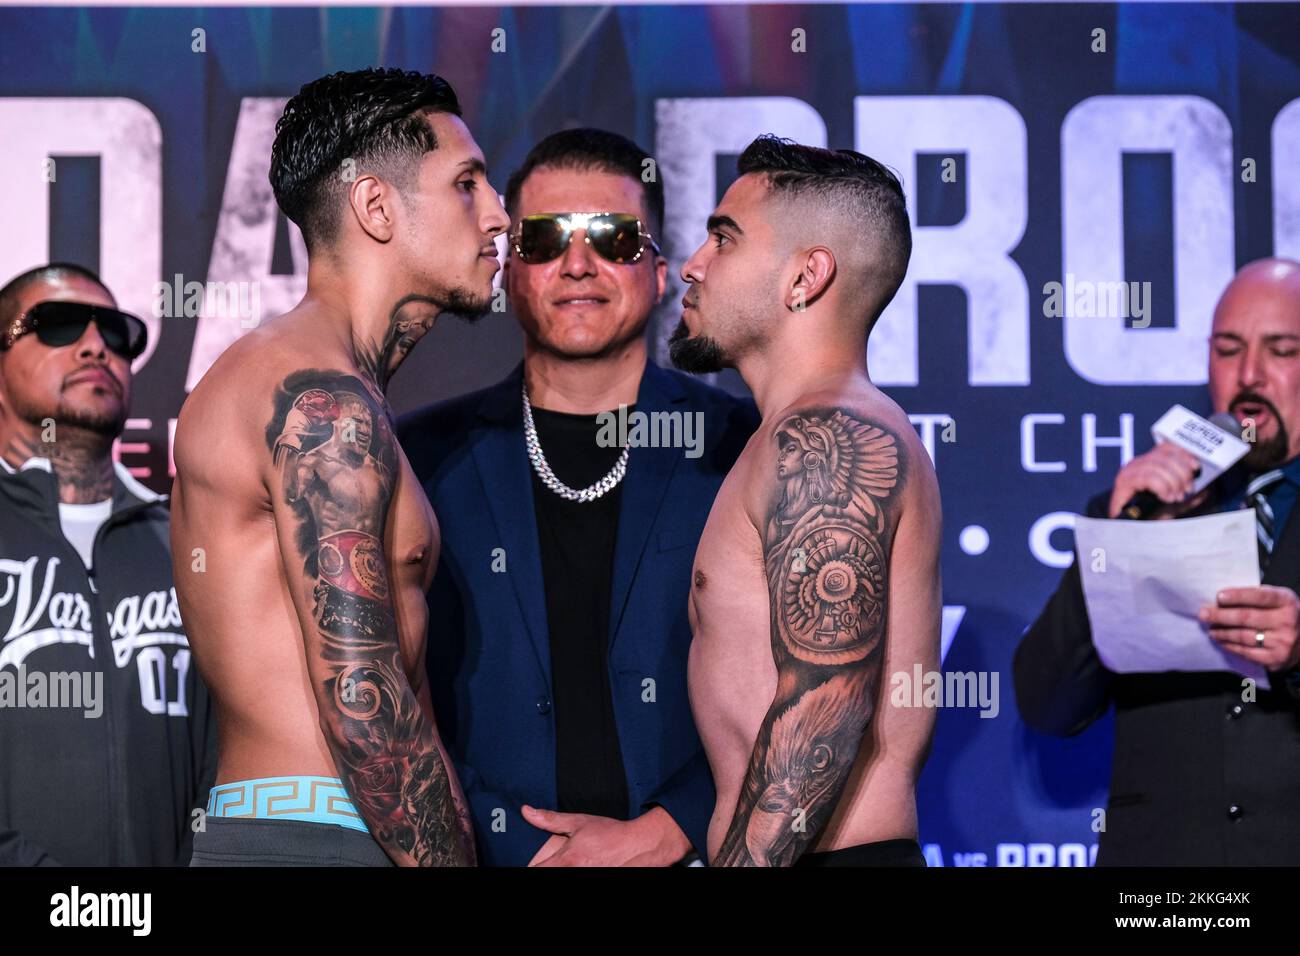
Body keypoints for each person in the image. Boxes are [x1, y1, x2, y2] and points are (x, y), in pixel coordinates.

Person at [171, 68, 508, 867]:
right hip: (317, 840)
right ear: (375, 206)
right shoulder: (322, 403)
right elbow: (366, 713)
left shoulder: (328, 387)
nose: (499, 213)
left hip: (309, 831)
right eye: (467, 183)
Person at [398, 128, 759, 866]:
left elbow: (798, 676)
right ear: (510, 269)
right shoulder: (418, 456)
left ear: (661, 271)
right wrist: (509, 840)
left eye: (615, 238)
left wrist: (670, 831)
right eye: (544, 238)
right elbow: (380, 682)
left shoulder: (742, 445)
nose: (578, 263)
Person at [672, 135, 941, 866]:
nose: (692, 264)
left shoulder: (826, 439)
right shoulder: (801, 432)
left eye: (724, 239)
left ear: (806, 276)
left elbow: (824, 719)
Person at [1016, 258, 1300, 866]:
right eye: (1228, 350)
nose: (1249, 374)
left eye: (1281, 350)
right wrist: (1123, 537)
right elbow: (1047, 703)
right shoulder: (1138, 510)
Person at [0, 262, 215, 866]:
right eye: (60, 324)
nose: (97, 345)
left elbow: (225, 759)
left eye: (115, 334)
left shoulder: (184, 543)